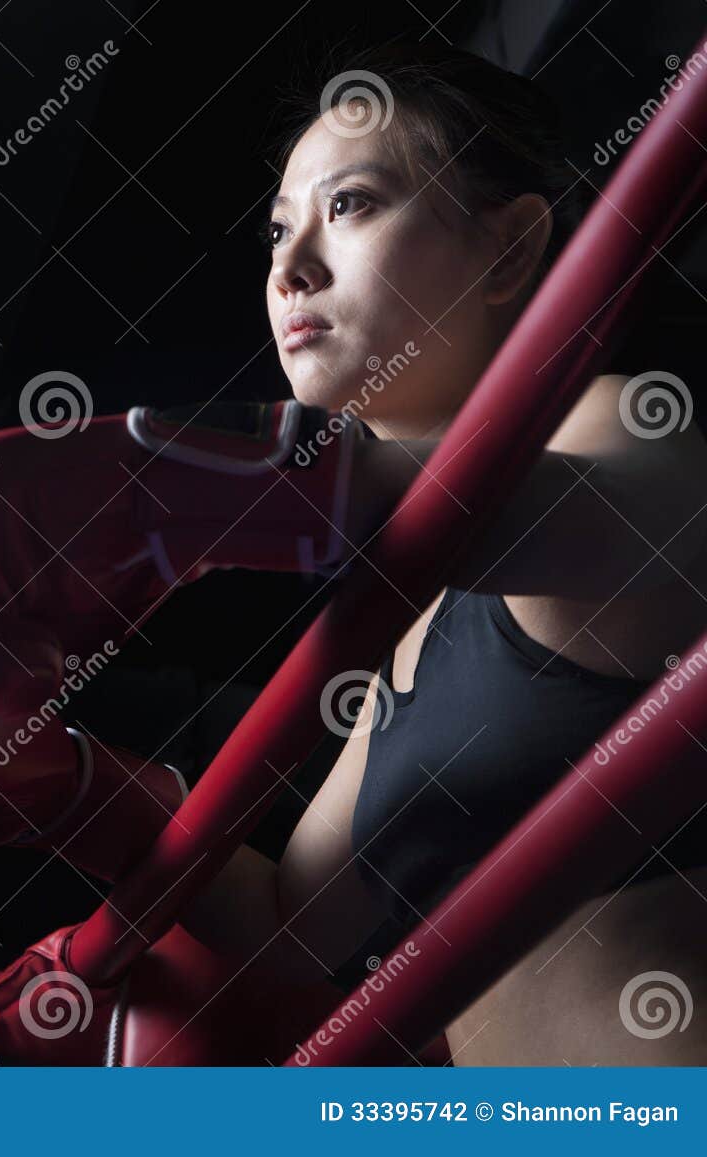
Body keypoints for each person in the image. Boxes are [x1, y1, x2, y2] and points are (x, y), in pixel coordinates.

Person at [169, 39, 707, 1065]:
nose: (288, 268)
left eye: (351, 204)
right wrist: (57, 785)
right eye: (277, 231)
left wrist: (203, 493)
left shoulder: (618, 425)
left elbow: (650, 527)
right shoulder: (416, 610)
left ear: (509, 250)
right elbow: (289, 925)